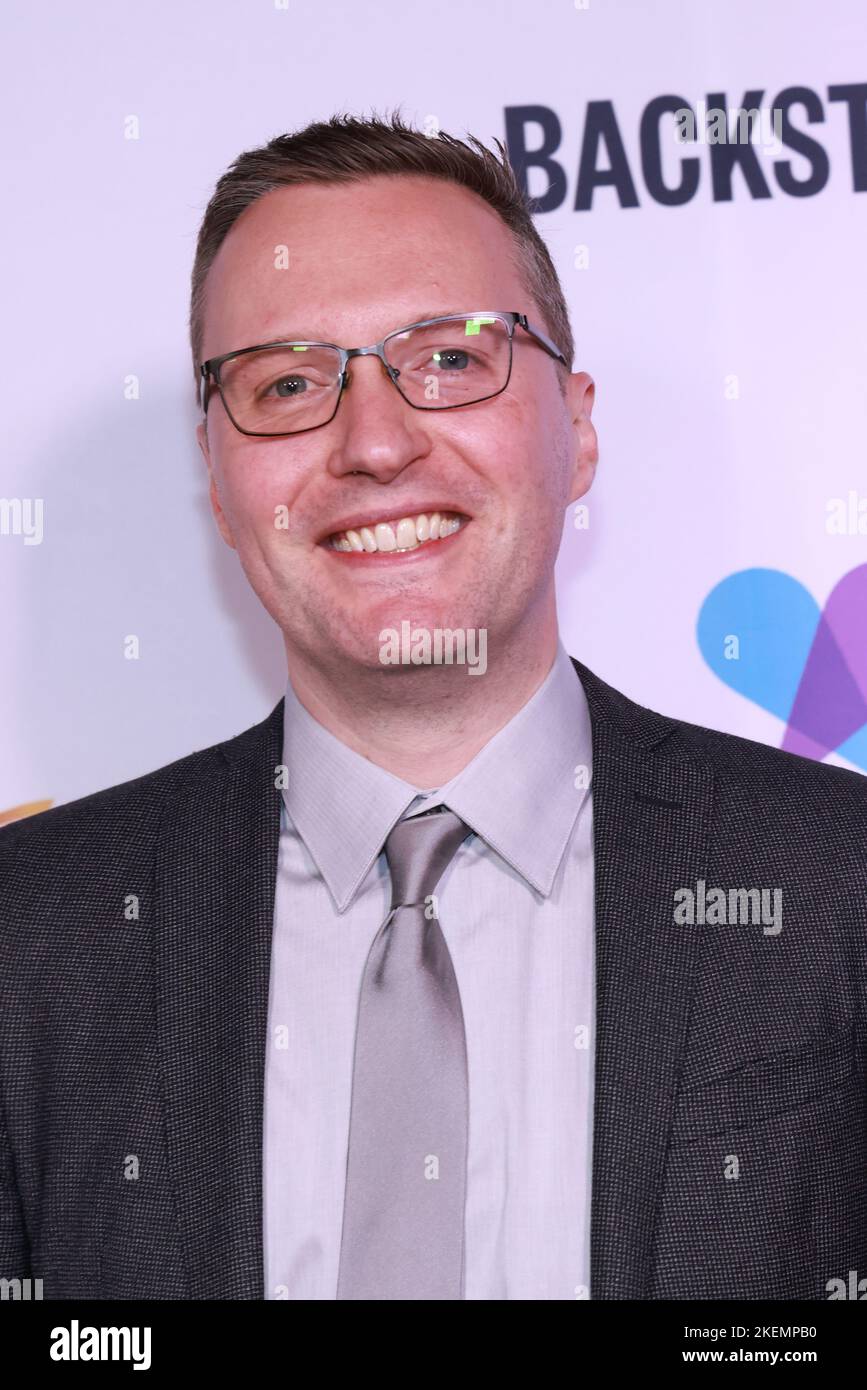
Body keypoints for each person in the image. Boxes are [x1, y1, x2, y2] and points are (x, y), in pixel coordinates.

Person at [1, 111, 864, 1302]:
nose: (372, 441)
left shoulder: (837, 880)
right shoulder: (31, 935)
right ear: (216, 475)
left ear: (581, 425)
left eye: (451, 358)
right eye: (290, 381)